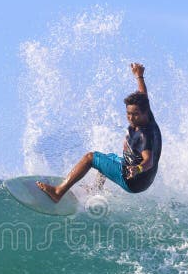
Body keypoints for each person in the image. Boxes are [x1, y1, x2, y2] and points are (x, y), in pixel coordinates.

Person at [36, 62, 162, 202]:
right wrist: (139, 76)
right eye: (128, 113)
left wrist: (137, 169)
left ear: (144, 112)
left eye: (135, 114)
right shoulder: (147, 116)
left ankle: (58, 192)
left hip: (133, 180)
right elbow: (143, 95)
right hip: (144, 178)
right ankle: (96, 188)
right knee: (107, 158)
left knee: (90, 158)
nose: (131, 118)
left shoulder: (144, 135)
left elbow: (148, 161)